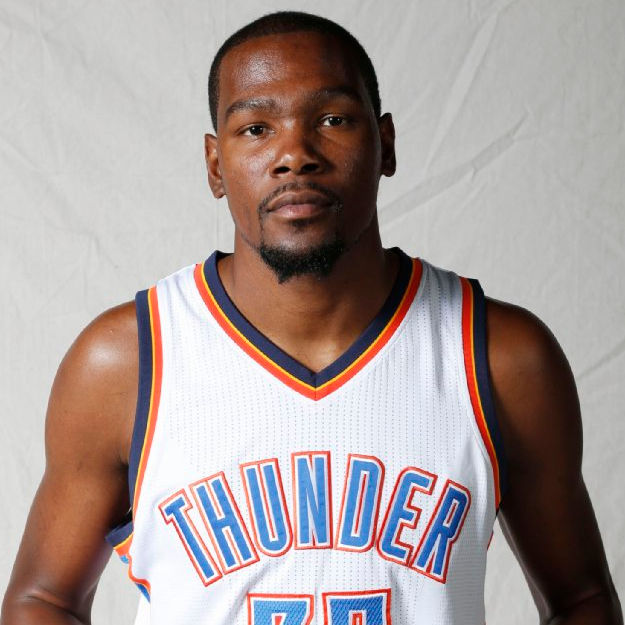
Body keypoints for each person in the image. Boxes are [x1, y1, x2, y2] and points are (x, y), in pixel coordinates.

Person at [1, 10, 621, 625]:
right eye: (256, 128)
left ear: (386, 144)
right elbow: (42, 600)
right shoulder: (127, 361)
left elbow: (582, 602)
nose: (294, 155)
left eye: (332, 119)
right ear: (215, 165)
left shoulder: (500, 356)